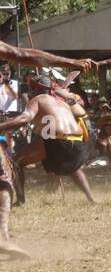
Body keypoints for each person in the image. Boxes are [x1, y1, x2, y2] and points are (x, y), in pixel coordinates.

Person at [0, 74, 96, 203]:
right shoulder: (62, 102)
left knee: (17, 161)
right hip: (78, 147)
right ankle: (91, 198)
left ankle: (21, 200)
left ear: (35, 89)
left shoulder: (39, 99)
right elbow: (81, 113)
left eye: (30, 88)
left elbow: (24, 118)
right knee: (74, 168)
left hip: (57, 142)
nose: (28, 93)